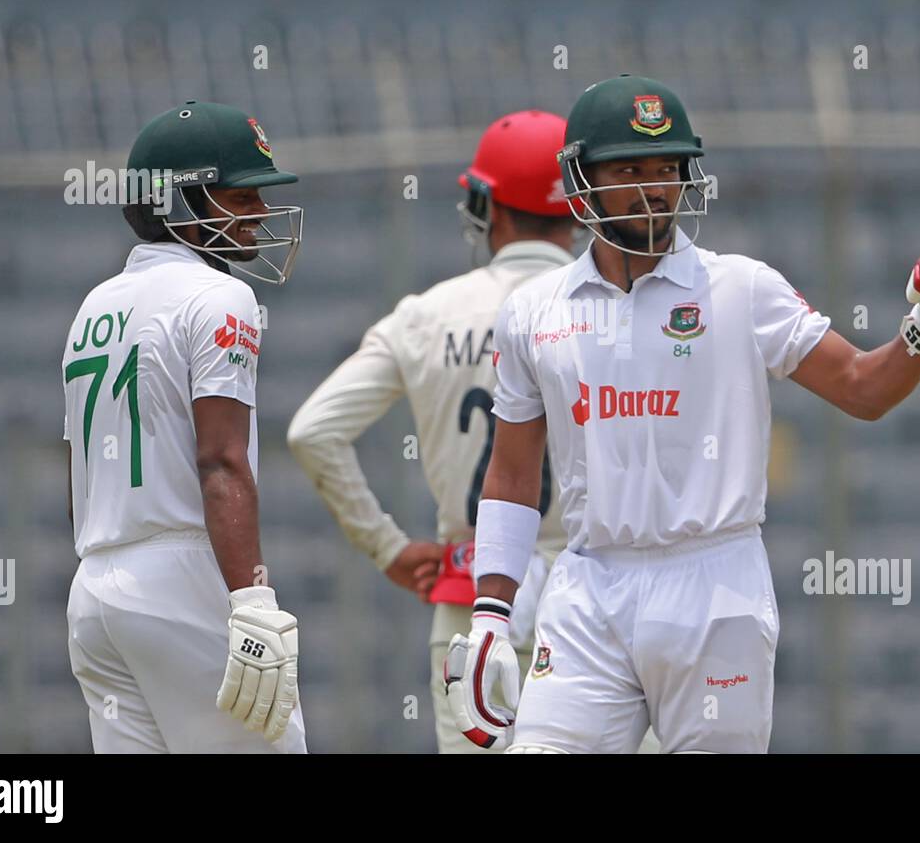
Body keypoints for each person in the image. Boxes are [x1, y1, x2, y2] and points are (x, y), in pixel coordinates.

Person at [444, 74, 920, 753]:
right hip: (587, 589)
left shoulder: (741, 289)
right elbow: (510, 477)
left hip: (715, 591)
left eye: (669, 168)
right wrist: (489, 615)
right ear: (580, 181)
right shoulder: (534, 312)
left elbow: (864, 388)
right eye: (629, 168)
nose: (656, 187)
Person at [286, 110, 574, 753]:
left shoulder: (428, 314)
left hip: (476, 598)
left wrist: (386, 546)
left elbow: (314, 431)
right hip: (596, 600)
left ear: (485, 204)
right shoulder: (610, 309)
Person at [63, 100, 307, 752]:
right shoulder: (219, 296)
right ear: (181, 204)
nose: (258, 214)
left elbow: (78, 472)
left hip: (93, 591)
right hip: (183, 580)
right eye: (240, 195)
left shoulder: (94, 303)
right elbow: (221, 461)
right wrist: (251, 600)